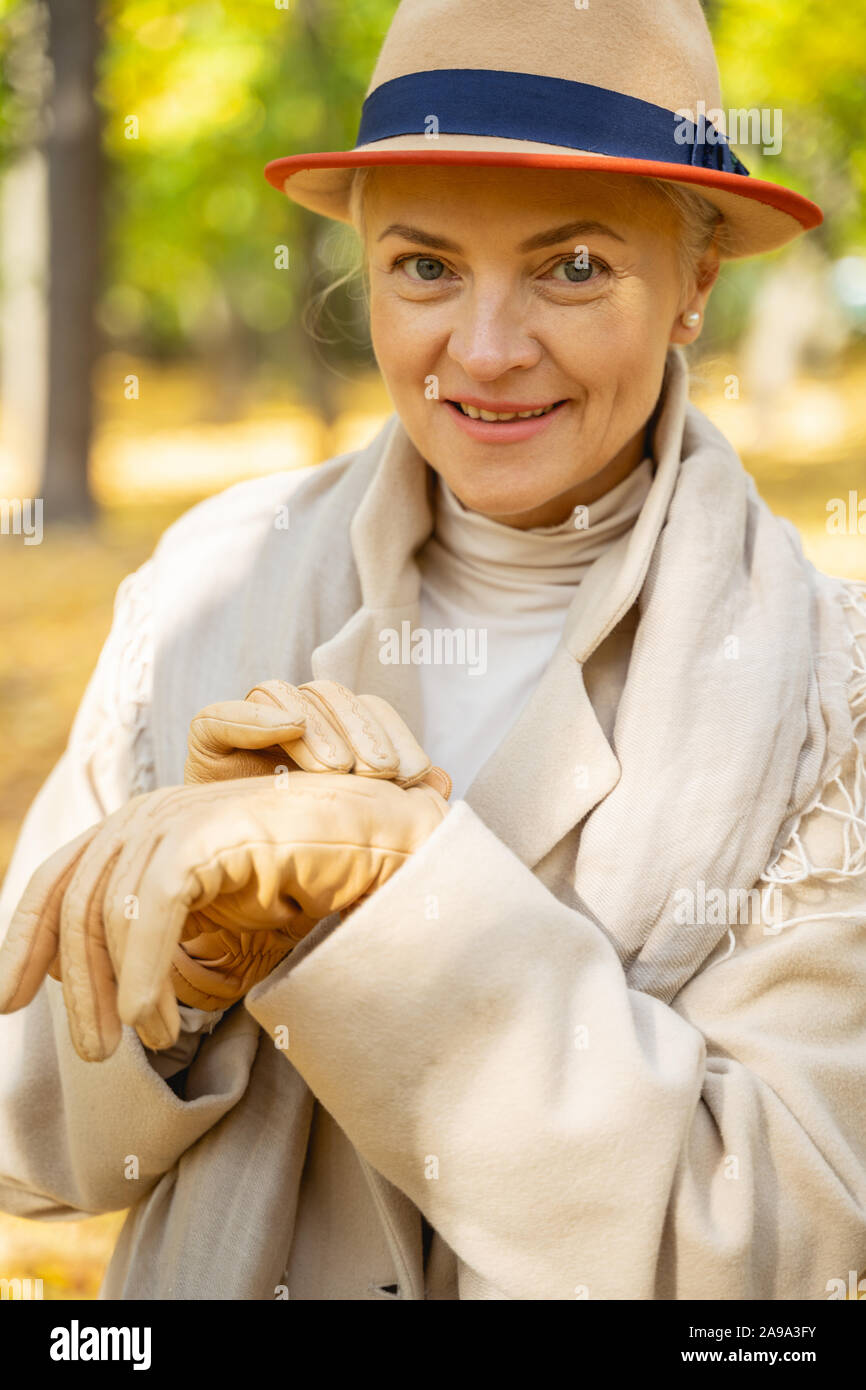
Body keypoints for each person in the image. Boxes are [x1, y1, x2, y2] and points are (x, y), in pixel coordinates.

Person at [1, 0, 865, 1302]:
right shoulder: (206, 587)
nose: (484, 349)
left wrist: (403, 892)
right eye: (423, 266)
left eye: (573, 267)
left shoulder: (828, 695)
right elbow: (26, 1144)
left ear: (694, 282)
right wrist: (175, 979)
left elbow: (782, 1249)